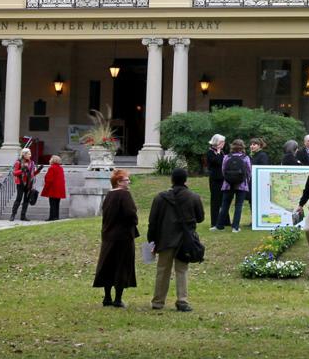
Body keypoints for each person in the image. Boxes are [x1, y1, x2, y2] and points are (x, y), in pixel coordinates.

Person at [147, 167, 204, 311]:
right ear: (185, 180)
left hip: (165, 239)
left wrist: (151, 240)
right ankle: (182, 301)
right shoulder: (193, 197)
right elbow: (200, 218)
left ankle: (158, 301)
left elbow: (152, 222)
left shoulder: (160, 198)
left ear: (172, 179)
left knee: (162, 270)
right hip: (185, 240)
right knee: (182, 270)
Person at [93, 169, 138, 306]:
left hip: (108, 235)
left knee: (108, 265)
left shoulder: (109, 195)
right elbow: (131, 213)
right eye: (126, 180)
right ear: (119, 182)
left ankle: (107, 297)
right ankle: (118, 299)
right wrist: (134, 221)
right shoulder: (124, 194)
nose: (128, 182)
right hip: (123, 236)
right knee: (121, 266)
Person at [217, 138, 252, 232]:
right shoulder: (245, 158)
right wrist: (245, 180)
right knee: (238, 206)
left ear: (232, 146)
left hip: (228, 184)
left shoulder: (227, 157)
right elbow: (249, 171)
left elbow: (223, 170)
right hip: (242, 185)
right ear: (242, 147)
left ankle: (219, 226)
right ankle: (235, 227)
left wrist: (228, 179)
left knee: (225, 205)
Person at [9, 147, 39, 221]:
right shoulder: (18, 162)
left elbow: (33, 174)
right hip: (21, 182)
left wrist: (38, 170)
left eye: (30, 154)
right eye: (29, 154)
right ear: (24, 154)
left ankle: (23, 216)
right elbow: (14, 173)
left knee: (26, 200)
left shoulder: (32, 163)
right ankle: (13, 215)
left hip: (29, 183)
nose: (30, 155)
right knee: (18, 199)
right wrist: (22, 170)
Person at [205, 133, 228, 228]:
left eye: (223, 142)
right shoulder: (210, 152)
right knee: (215, 201)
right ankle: (214, 222)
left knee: (224, 200)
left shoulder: (222, 152)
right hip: (215, 180)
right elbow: (217, 162)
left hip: (223, 179)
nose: (223, 144)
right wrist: (218, 152)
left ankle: (226, 221)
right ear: (216, 142)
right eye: (221, 142)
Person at [41, 155, 67, 221]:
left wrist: (46, 187)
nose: (50, 160)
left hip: (53, 188)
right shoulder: (60, 168)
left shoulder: (51, 168)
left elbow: (49, 179)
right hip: (59, 188)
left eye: (51, 159)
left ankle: (52, 217)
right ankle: (56, 216)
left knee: (52, 204)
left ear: (53, 160)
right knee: (57, 203)